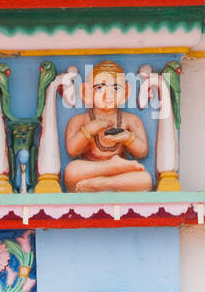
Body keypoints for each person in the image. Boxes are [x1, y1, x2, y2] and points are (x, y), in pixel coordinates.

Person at [64, 59, 152, 194]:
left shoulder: (131, 120)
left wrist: (127, 137)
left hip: (121, 174)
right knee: (71, 171)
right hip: (91, 169)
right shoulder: (81, 120)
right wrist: (90, 129)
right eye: (100, 88)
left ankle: (102, 184)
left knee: (145, 179)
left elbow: (142, 152)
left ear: (126, 92)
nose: (109, 95)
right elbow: (72, 150)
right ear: (86, 92)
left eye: (116, 88)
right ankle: (111, 166)